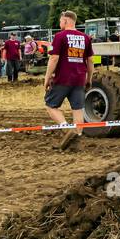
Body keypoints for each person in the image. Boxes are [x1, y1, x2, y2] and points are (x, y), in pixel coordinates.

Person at [45, 10, 95, 152]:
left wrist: (47, 78)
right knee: (78, 110)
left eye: (61, 21)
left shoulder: (60, 36)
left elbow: (54, 58)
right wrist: (89, 79)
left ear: (66, 21)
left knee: (51, 106)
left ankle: (67, 130)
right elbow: (90, 60)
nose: (60, 23)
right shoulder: (85, 38)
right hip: (79, 78)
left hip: (63, 78)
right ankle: (76, 140)